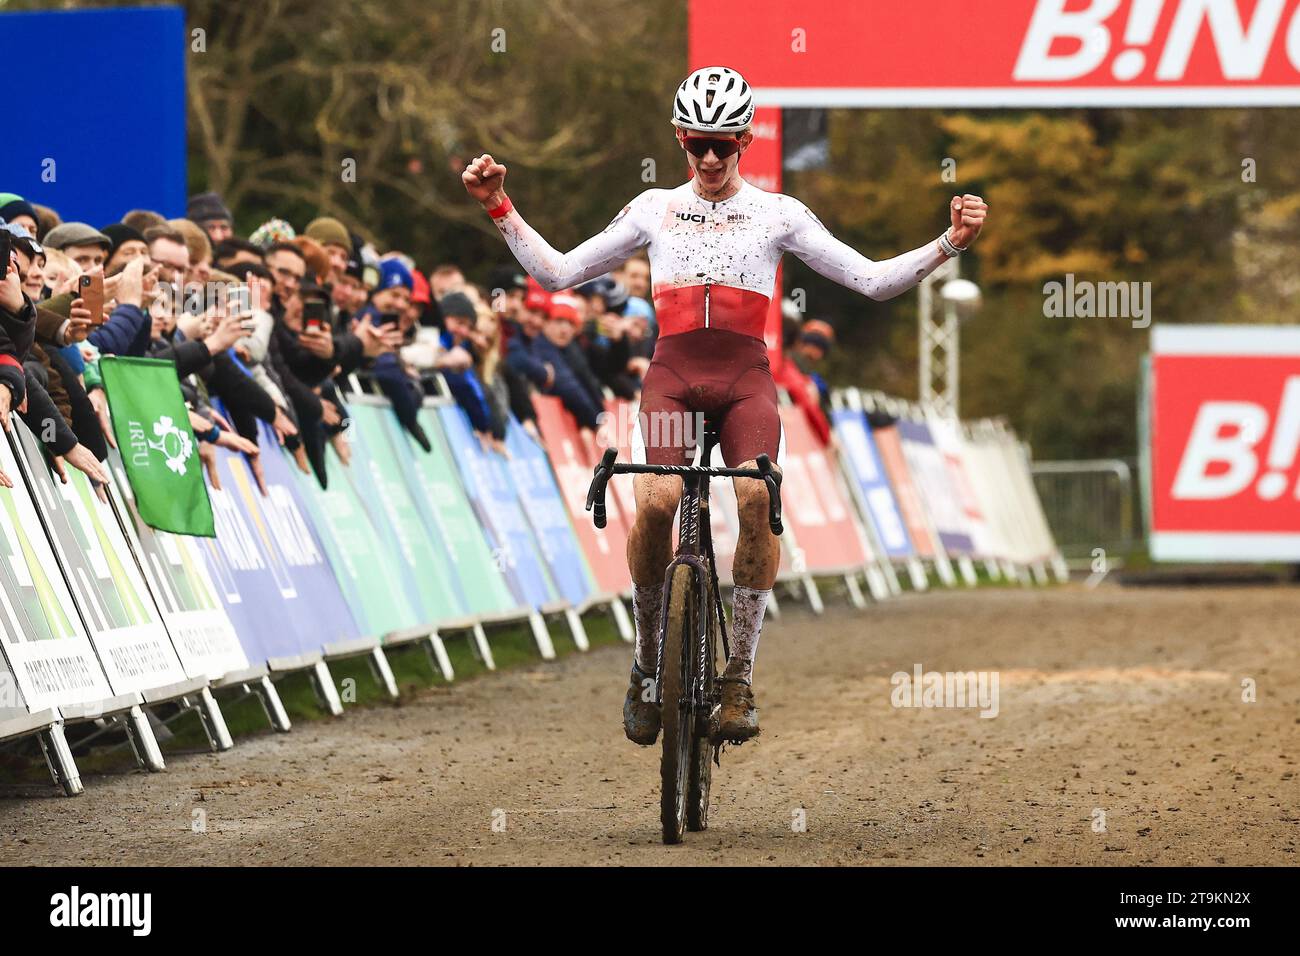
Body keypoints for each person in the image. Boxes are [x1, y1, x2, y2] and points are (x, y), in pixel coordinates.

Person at [462, 65, 988, 745]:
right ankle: (649, 666)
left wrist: (951, 243)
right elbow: (560, 273)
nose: (710, 158)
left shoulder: (779, 214)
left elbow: (872, 280)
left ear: (745, 140)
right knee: (654, 504)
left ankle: (738, 674)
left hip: (744, 378)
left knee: (755, 503)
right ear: (681, 139)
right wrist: (499, 205)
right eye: (697, 144)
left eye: (724, 144)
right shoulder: (655, 208)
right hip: (674, 374)